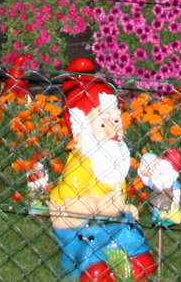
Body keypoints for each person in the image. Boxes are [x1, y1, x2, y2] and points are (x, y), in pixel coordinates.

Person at [48, 57, 157, 282]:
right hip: (81, 229)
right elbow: (69, 204)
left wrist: (124, 207)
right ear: (81, 132)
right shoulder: (81, 163)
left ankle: (128, 259)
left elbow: (116, 199)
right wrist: (101, 206)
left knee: (143, 263)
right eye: (102, 124)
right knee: (96, 274)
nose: (113, 130)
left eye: (116, 121)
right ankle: (88, 267)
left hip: (115, 221)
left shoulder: (114, 155)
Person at [140, 149, 181, 224]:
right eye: (160, 165)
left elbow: (177, 192)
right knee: (156, 209)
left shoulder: (172, 183)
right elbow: (147, 181)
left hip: (168, 200)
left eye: (166, 167)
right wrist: (142, 174)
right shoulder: (154, 180)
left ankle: (167, 218)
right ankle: (155, 219)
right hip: (156, 198)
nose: (162, 169)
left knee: (167, 210)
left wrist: (176, 201)